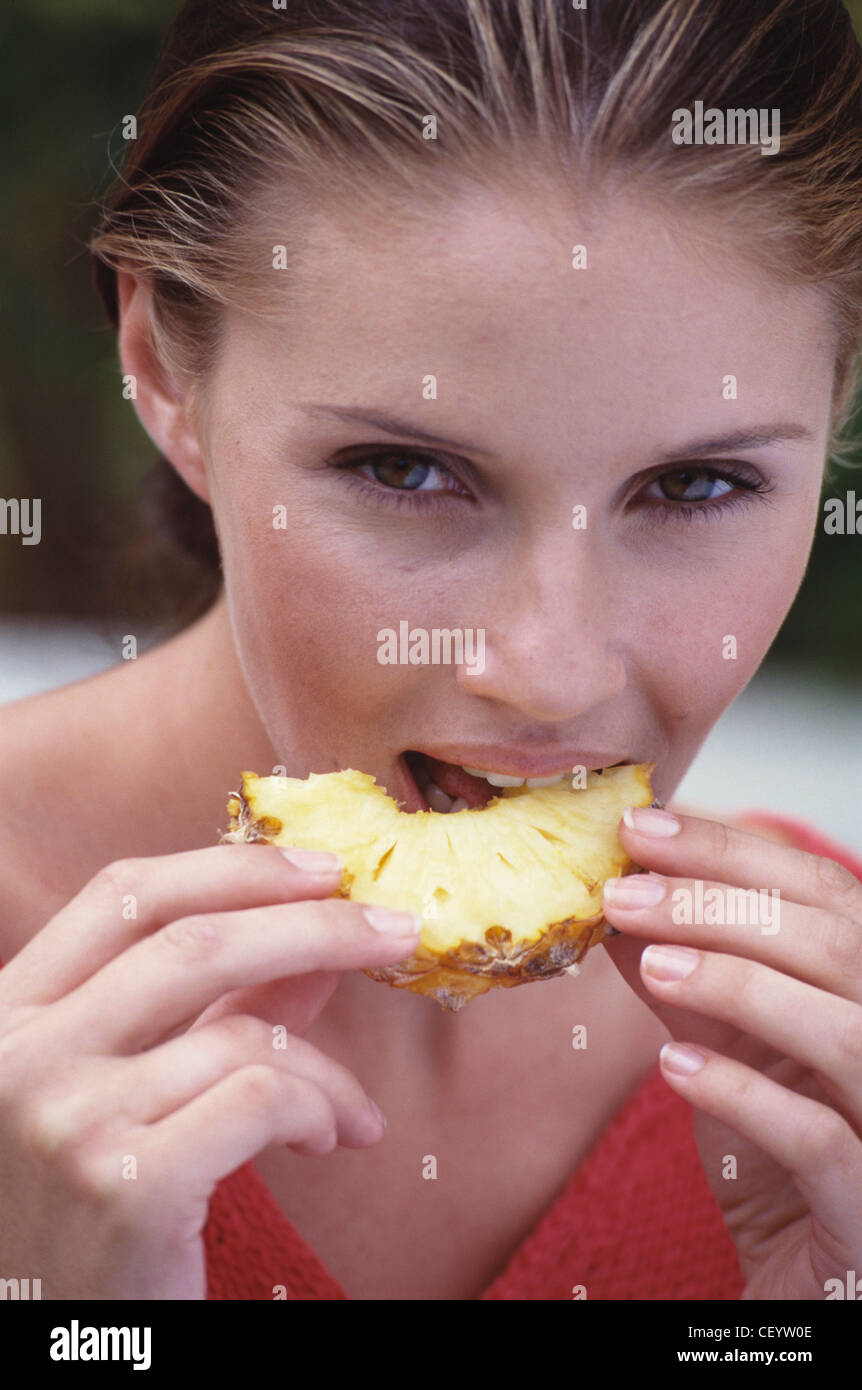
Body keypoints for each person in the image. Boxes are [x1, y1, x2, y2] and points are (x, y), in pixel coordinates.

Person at [1, 0, 861, 1302]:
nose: (551, 667)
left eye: (692, 487)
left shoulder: (829, 1036)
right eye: (404, 468)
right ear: (163, 368)